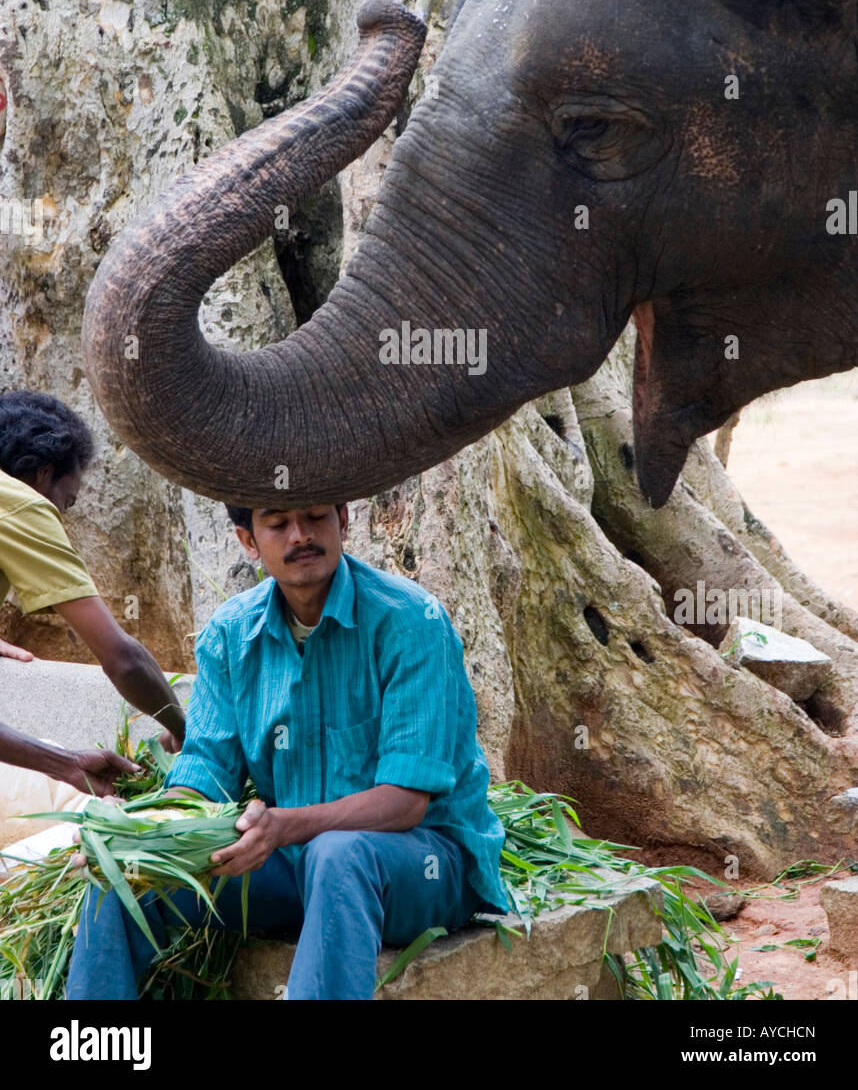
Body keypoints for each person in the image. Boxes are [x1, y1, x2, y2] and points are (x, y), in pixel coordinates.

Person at [66, 501, 511, 1000]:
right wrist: (139, 829)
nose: (300, 535)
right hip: (293, 865)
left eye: (316, 517)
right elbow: (207, 769)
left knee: (338, 854)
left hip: (423, 868)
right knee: (117, 872)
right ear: (248, 541)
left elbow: (406, 802)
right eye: (277, 523)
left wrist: (282, 827)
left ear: (344, 520)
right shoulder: (231, 633)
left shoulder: (411, 621)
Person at [0, 391, 185, 798]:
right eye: (65, 502)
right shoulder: (21, 503)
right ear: (41, 474)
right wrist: (189, 733)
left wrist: (65, 765)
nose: (60, 514)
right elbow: (122, 659)